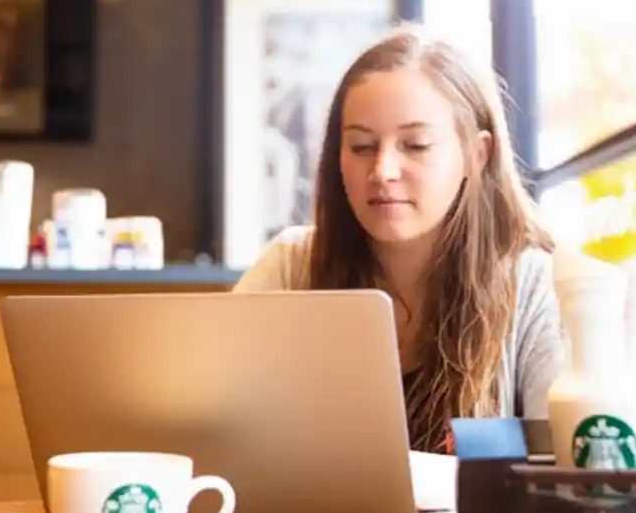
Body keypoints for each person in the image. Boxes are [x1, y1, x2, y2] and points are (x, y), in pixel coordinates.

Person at [235, 25, 564, 454]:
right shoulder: (291, 266)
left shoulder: (536, 280)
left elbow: (564, 466)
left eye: (416, 145)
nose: (383, 171)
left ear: (476, 155)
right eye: (361, 146)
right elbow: (215, 423)